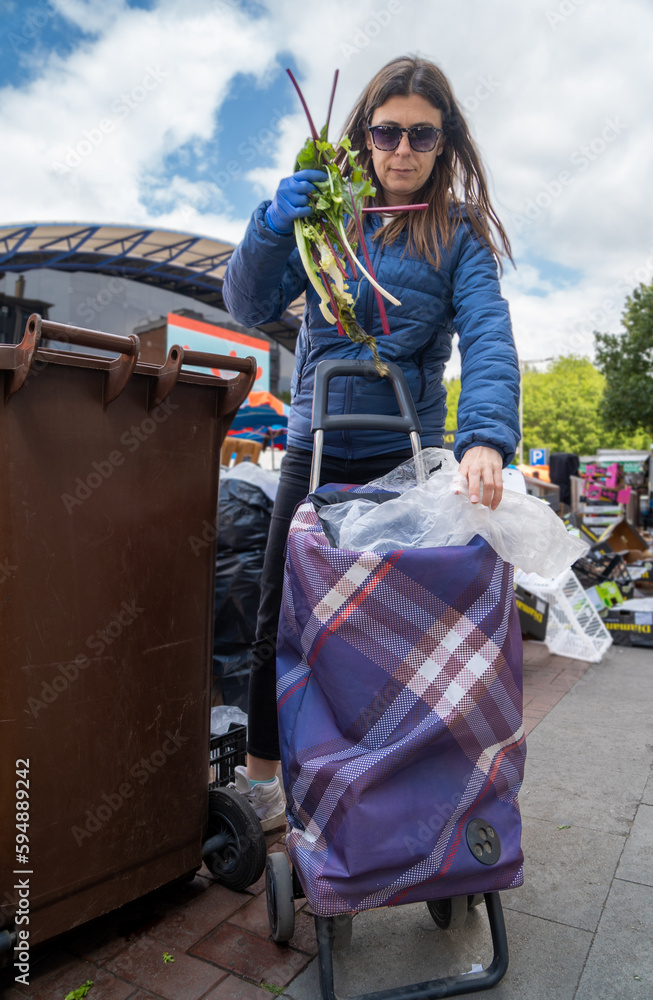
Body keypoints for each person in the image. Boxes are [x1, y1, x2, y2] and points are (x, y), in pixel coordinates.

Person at [222, 55, 520, 830]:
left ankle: (390, 786)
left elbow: (488, 335)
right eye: (386, 131)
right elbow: (249, 304)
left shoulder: (456, 235)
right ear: (363, 136)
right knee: (277, 615)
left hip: (403, 457)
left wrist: (484, 438)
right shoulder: (328, 214)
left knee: (396, 623)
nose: (401, 149)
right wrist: (269, 225)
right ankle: (262, 790)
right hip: (312, 448)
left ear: (443, 142)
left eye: (421, 134)